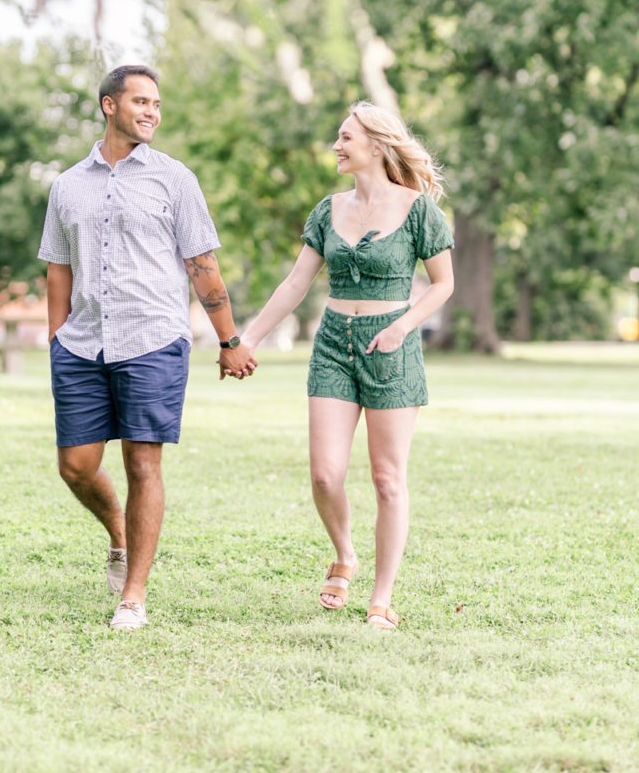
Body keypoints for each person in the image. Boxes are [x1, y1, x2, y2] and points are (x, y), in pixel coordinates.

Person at [38, 65, 256, 633]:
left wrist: (228, 340)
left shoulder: (174, 179)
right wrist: (57, 336)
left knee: (142, 461)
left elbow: (202, 266)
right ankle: (118, 533)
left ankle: (133, 595)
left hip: (154, 339)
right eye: (141, 102)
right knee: (76, 465)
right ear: (109, 106)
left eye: (157, 104)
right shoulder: (67, 185)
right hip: (83, 344)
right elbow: (57, 268)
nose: (152, 112)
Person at [239, 102, 454, 630]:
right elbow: (295, 284)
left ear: (376, 146)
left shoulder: (419, 210)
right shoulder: (327, 210)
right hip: (334, 343)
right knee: (325, 473)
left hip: (391, 347)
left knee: (387, 479)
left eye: (345, 137)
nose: (337, 146)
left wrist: (403, 326)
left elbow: (445, 284)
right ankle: (344, 553)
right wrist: (247, 339)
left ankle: (381, 598)